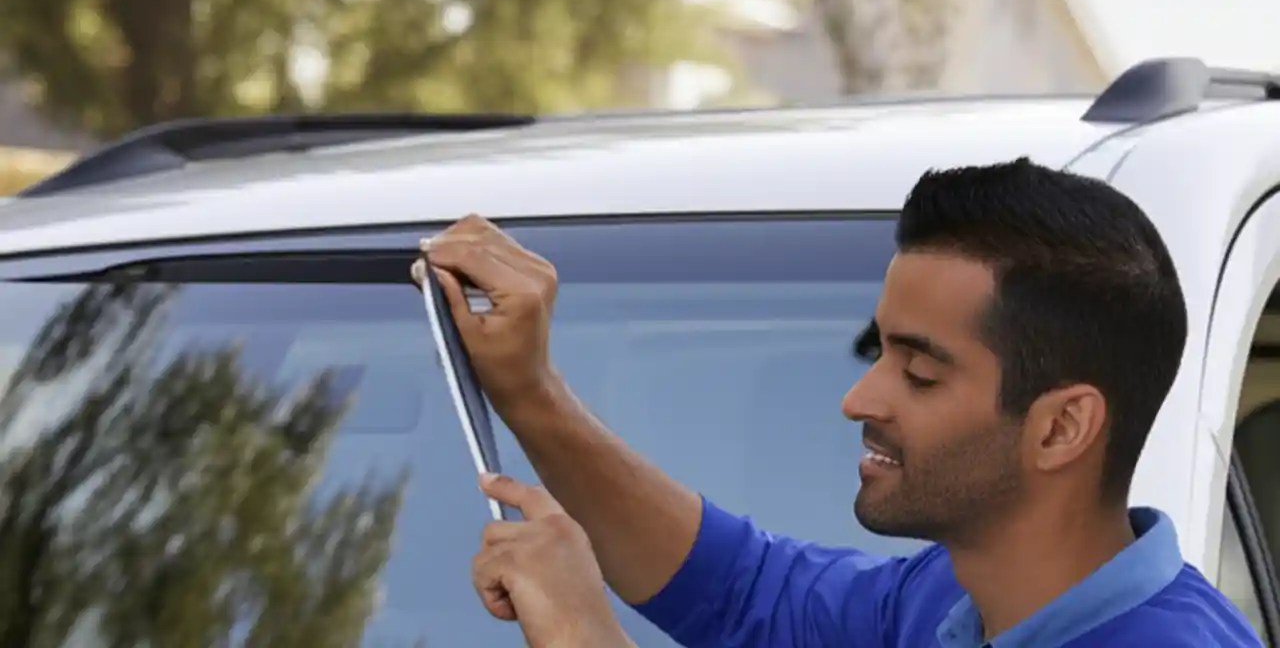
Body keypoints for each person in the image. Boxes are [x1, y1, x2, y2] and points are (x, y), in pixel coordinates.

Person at [412, 158, 1263, 647]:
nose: (861, 397)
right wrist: (530, 393)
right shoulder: (955, 603)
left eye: (920, 373)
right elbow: (742, 589)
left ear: (1062, 426)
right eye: (878, 351)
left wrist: (584, 634)